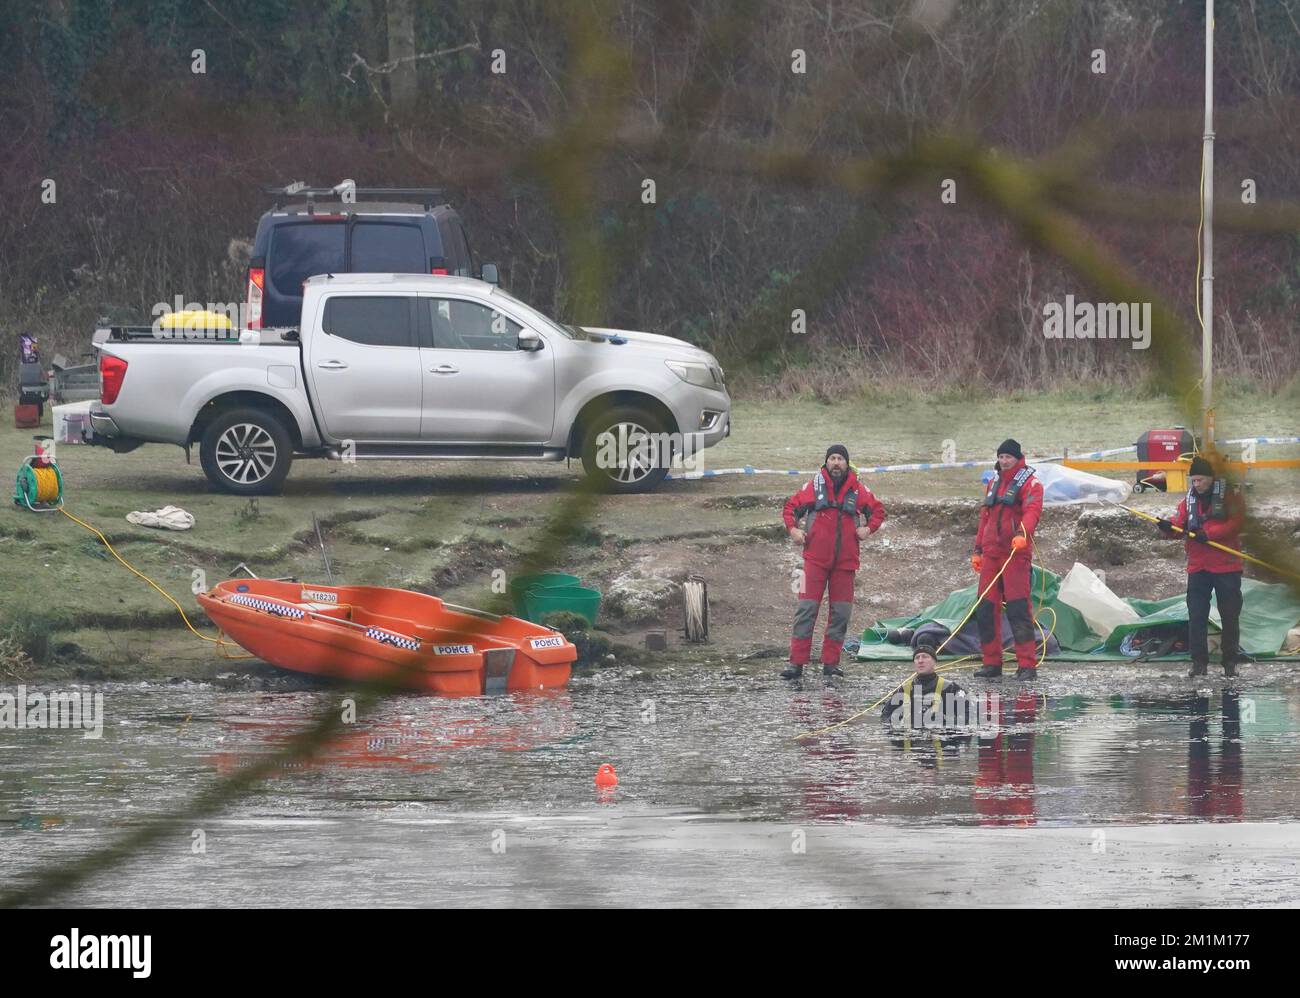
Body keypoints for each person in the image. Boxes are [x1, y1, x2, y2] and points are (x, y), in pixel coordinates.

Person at [781, 444, 886, 678]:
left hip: (845, 564)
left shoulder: (858, 489)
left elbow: (878, 511)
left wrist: (868, 529)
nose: (836, 463)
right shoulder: (813, 486)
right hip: (814, 561)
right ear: (826, 463)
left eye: (840, 459)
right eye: (832, 458)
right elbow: (791, 507)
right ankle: (796, 664)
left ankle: (831, 664)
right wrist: (793, 530)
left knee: (840, 614)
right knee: (805, 611)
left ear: (847, 464)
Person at [1157, 456, 1246, 678]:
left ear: (1211, 479)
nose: (1195, 484)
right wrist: (1167, 528)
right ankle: (1199, 663)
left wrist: (1210, 534)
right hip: (1198, 568)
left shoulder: (1231, 498)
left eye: (1199, 480)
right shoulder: (1187, 502)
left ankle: (1230, 663)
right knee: (1196, 615)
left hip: (1227, 568)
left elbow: (1237, 523)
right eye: (1193, 481)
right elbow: (1179, 527)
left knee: (1230, 615)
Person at [971, 439, 1044, 680]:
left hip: (1015, 554)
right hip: (991, 554)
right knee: (985, 608)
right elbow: (985, 518)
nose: (1003, 461)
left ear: (1017, 458)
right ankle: (992, 663)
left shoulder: (1031, 483)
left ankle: (1027, 665)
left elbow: (1032, 510)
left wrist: (1023, 534)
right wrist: (977, 550)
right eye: (1001, 457)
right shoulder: (993, 482)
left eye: (1008, 458)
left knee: (1018, 609)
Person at [880, 643, 969, 727]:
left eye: (925, 657)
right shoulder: (905, 689)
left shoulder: (949, 688)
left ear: (934, 662)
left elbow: (968, 715)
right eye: (917, 658)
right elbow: (885, 717)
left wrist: (945, 723)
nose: (920, 661)